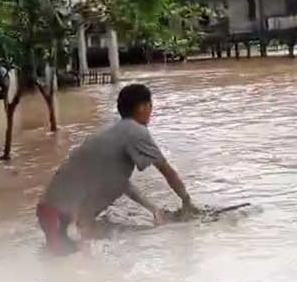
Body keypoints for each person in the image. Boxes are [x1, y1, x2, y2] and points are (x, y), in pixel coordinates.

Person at [36, 84, 198, 255]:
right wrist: (187, 201)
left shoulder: (110, 134)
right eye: (150, 105)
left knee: (66, 266)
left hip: (52, 213)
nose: (151, 111)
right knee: (67, 268)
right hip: (62, 217)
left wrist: (154, 209)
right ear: (143, 107)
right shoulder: (136, 131)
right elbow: (167, 172)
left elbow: (120, 183)